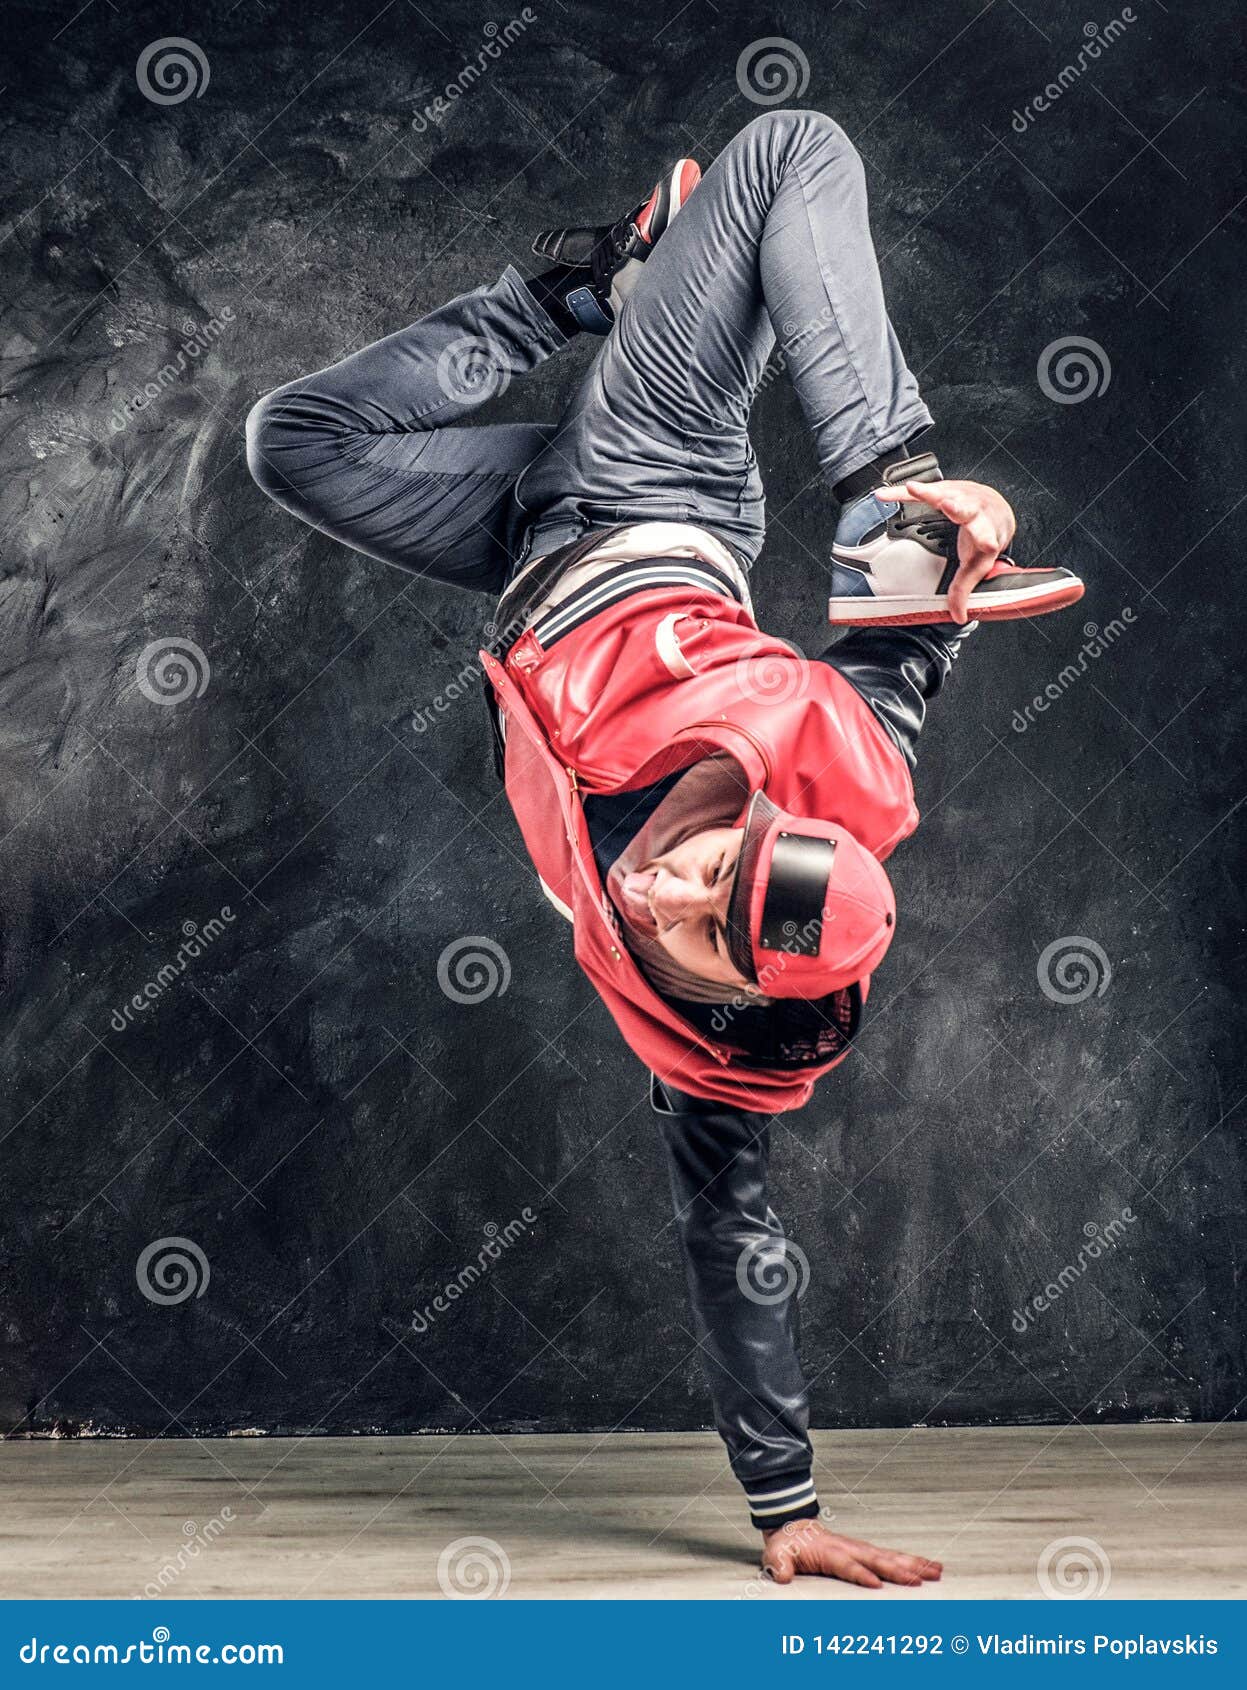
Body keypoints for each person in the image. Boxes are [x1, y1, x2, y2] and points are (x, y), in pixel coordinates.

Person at [246, 110, 1083, 1588]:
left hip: (520, 551)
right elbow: (903, 652)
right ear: (781, 815)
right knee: (787, 152)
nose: (665, 886)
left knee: (293, 442)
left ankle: (581, 289)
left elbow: (730, 1227)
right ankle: (778, 385)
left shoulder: (695, 1030)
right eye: (717, 863)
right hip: (655, 487)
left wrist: (787, 1506)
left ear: (715, 992)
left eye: (694, 925)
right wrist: (932, 518)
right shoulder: (852, 763)